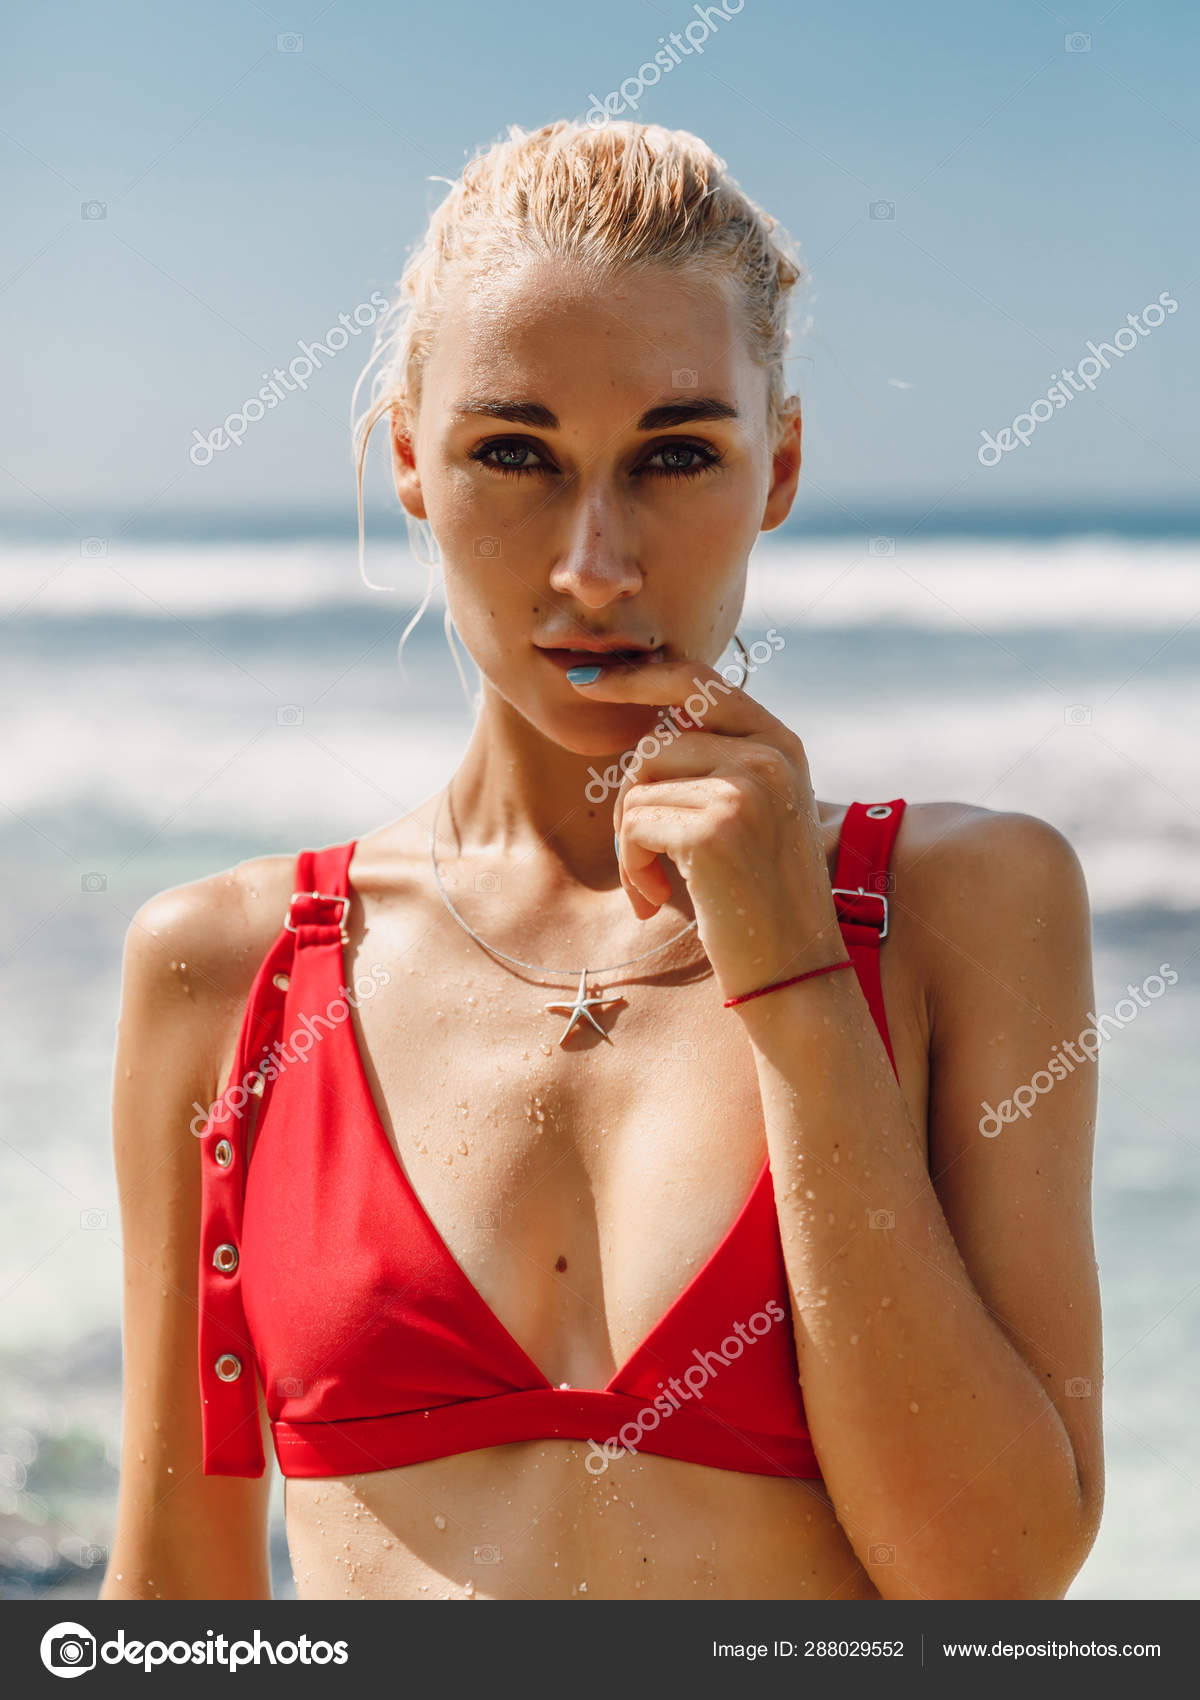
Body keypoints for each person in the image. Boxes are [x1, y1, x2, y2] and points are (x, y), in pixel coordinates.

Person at [102, 118, 1103, 1601]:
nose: (595, 566)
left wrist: (793, 971)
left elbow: (991, 1585)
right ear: (408, 465)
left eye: (677, 454)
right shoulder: (231, 972)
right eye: (514, 451)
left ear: (781, 467)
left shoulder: (961, 904)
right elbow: (176, 1605)